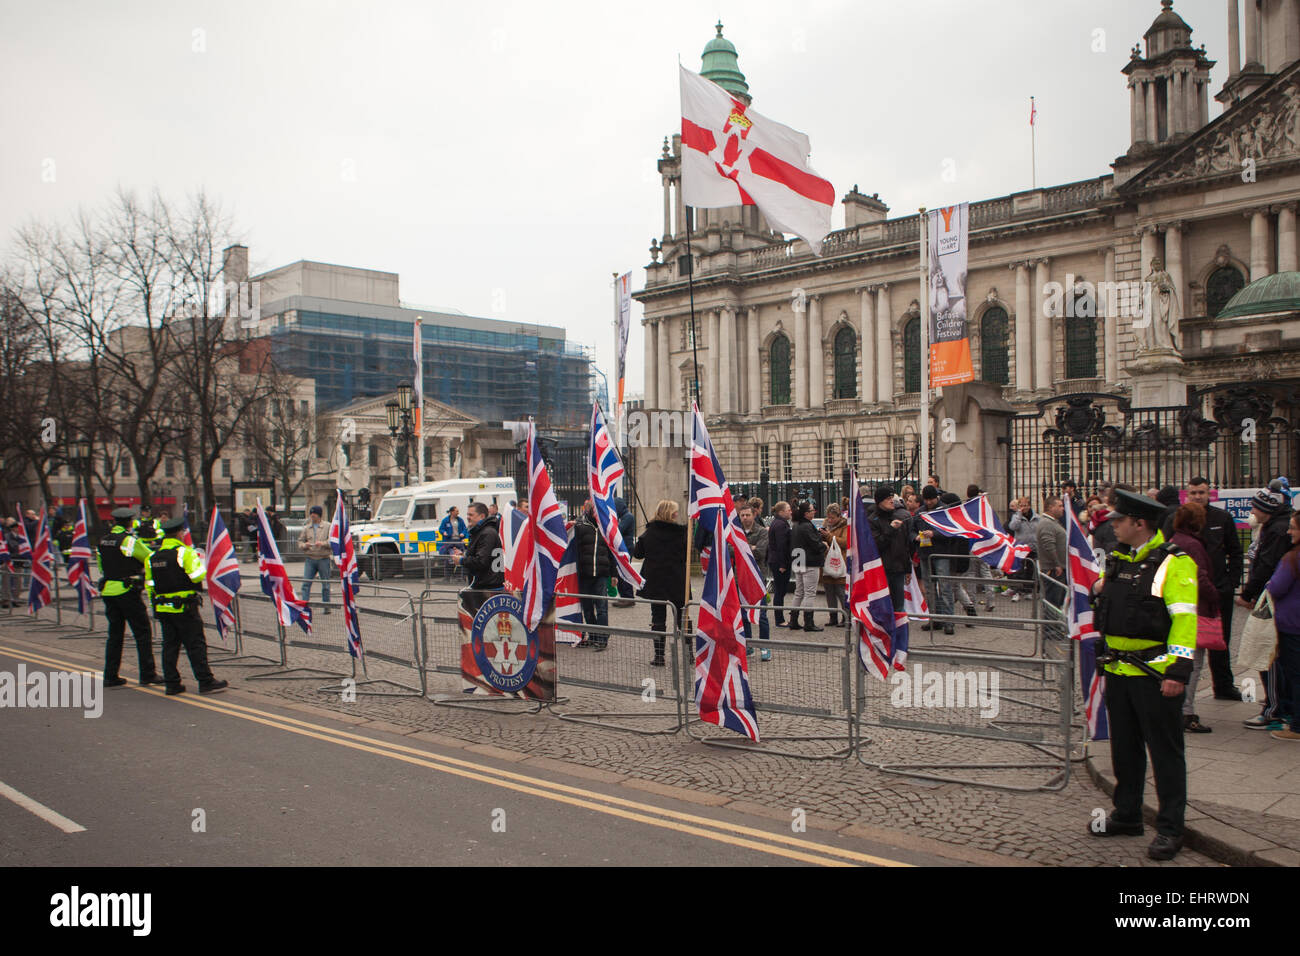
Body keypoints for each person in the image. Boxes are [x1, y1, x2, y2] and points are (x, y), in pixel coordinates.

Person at [1089, 490, 1196, 861]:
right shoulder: (1119, 559)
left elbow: (1184, 620)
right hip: (1119, 669)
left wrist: (1178, 672)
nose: (1112, 525)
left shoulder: (1175, 562)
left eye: (1119, 520)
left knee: (1165, 753)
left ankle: (1170, 828)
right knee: (1125, 749)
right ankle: (1128, 814)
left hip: (1156, 673)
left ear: (1140, 523)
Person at [147, 516, 227, 696]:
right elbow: (197, 576)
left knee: (169, 646)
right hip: (184, 607)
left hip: (163, 607)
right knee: (195, 644)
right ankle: (205, 681)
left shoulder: (153, 556)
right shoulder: (185, 553)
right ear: (179, 533)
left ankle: (171, 684)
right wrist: (204, 564)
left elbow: (150, 584)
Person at [1181, 477, 1244, 700]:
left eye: (1202, 492)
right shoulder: (1183, 519)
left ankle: (1223, 685)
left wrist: (1231, 583)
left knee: (1221, 639)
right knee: (1191, 641)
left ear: (1210, 494)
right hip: (1191, 592)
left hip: (1218, 590)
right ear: (1187, 495)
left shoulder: (1222, 518)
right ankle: (1184, 690)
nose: (1198, 497)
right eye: (1194, 493)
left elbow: (1235, 552)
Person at [1237, 486, 1294, 730]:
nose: (1251, 511)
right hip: (1277, 600)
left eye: (1255, 507)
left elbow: (1266, 564)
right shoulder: (1277, 527)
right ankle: (1280, 705)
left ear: (1266, 509)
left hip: (1272, 600)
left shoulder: (1278, 530)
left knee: (1268, 654)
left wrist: (1249, 593)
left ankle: (1274, 708)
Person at [1168, 502, 1222, 734]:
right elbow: (1199, 575)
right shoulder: (1192, 544)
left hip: (1181, 607)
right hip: (1194, 609)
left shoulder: (1175, 540)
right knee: (1193, 663)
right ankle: (1185, 711)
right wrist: (1214, 594)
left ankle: (1181, 709)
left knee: (1185, 660)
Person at [97, 507, 162, 688]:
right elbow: (149, 557)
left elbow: (102, 567)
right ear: (129, 522)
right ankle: (148, 674)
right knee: (142, 632)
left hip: (108, 591)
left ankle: (110, 675)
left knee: (115, 635)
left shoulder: (103, 541)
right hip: (126, 591)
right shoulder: (128, 540)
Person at [633, 500, 687, 667]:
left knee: (658, 619)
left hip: (656, 580)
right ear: (670, 514)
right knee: (682, 617)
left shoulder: (649, 533)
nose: (677, 514)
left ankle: (659, 656)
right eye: (675, 512)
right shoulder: (681, 533)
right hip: (677, 579)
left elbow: (637, 554)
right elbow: (685, 555)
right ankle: (689, 654)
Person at [1264, 511, 1300, 741]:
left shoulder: (1293, 558)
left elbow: (1275, 588)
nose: (1289, 531)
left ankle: (1297, 726)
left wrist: (1268, 582)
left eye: (1293, 527)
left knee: (1295, 675)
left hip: (1292, 625)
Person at [572, 499, 613, 649]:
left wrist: (613, 574)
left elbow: (612, 552)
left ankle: (602, 638)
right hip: (585, 573)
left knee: (602, 607)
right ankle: (593, 635)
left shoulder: (606, 528)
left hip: (601, 573)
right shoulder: (580, 526)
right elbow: (573, 548)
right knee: (587, 608)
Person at [869, 484, 911, 615]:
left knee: (899, 608)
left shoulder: (899, 517)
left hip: (898, 568)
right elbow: (876, 544)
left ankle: (900, 634)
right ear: (880, 501)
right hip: (881, 570)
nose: (892, 500)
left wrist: (907, 568)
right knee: (883, 607)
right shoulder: (872, 520)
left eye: (892, 497)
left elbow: (905, 545)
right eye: (888, 498)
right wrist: (890, 529)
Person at [455, 502, 503, 616]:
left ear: (481, 516)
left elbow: (482, 561)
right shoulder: (481, 532)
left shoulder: (487, 533)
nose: (468, 517)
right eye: (467, 514)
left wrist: (462, 561)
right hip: (484, 585)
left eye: (471, 515)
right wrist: (464, 555)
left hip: (488, 587)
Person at [738, 503, 772, 660]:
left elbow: (760, 552)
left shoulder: (761, 532)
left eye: (748, 515)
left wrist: (743, 548)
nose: (745, 518)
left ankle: (765, 646)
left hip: (757, 577)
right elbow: (730, 549)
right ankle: (748, 644)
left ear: (754, 515)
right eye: (742, 515)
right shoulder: (736, 531)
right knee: (743, 613)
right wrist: (749, 547)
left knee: (762, 614)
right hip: (740, 577)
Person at [788, 500, 825, 631]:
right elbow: (815, 544)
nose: (814, 512)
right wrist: (823, 545)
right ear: (806, 513)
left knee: (799, 592)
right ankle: (808, 623)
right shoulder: (807, 526)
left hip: (798, 560)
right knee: (810, 593)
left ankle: (793, 620)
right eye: (811, 510)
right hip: (809, 562)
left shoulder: (796, 525)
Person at [1037, 496, 1069, 638]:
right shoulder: (1047, 524)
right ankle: (1050, 630)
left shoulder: (1052, 523)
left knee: (1056, 599)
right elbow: (1048, 544)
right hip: (1053, 568)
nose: (1062, 508)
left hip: (1058, 567)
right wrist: (1056, 563)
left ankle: (1053, 627)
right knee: (1052, 600)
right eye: (1060, 506)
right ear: (1050, 507)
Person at [819, 503, 848, 629]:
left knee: (841, 592)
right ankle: (833, 617)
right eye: (828, 517)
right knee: (829, 591)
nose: (830, 520)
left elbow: (845, 542)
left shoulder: (845, 526)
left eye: (832, 518)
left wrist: (829, 536)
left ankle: (846, 617)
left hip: (840, 562)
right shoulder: (826, 526)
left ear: (838, 516)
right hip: (827, 562)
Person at [299, 505, 332, 614]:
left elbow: (332, 541)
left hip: (323, 558)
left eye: (314, 514)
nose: (312, 516)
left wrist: (322, 544)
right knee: (306, 583)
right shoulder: (306, 528)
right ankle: (304, 605)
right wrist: (305, 545)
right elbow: (300, 542)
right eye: (311, 514)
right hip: (310, 558)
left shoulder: (328, 526)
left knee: (326, 584)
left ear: (319, 515)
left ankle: (326, 606)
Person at [1007, 496, 1040, 602]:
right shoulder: (1016, 517)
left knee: (1030, 569)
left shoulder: (1037, 518)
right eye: (1021, 505)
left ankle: (1028, 591)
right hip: (1020, 547)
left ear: (1029, 506)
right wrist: (1019, 516)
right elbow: (1012, 527)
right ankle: (1017, 591)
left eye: (1025, 505)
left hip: (1032, 547)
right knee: (1018, 570)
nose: (1023, 508)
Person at [766, 501, 793, 627]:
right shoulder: (781, 525)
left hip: (776, 560)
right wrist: (783, 564)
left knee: (780, 590)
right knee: (780, 590)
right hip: (779, 561)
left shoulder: (777, 523)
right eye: (788, 510)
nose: (790, 512)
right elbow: (781, 545)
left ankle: (779, 617)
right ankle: (779, 619)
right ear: (781, 512)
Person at [613, 496, 637, 607]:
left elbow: (619, 530)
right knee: (620, 573)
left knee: (625, 573)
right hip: (623, 548)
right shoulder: (623, 517)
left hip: (626, 548)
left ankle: (628, 597)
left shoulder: (628, 517)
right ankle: (623, 597)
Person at [439, 506, 468, 581]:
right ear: (452, 512)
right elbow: (441, 529)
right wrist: (444, 532)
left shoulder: (460, 520)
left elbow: (465, 528)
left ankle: (461, 576)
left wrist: (463, 533)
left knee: (461, 556)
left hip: (458, 540)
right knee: (449, 559)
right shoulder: (446, 520)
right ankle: (448, 577)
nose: (458, 512)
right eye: (456, 511)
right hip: (449, 541)